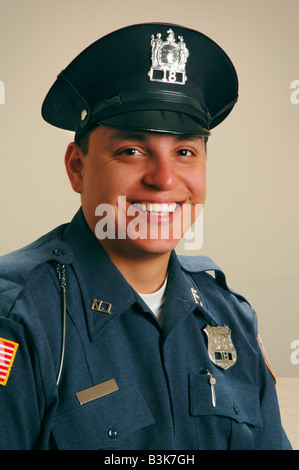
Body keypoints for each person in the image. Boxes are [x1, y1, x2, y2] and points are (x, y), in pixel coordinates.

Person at [0, 22, 292, 450]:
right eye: (131, 151)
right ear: (77, 167)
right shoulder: (20, 317)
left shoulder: (228, 316)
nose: (163, 178)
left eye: (185, 152)